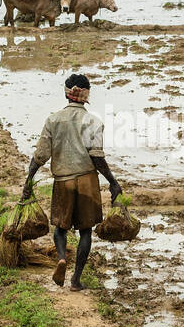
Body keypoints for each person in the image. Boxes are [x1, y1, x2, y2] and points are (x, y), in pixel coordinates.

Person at [22, 73, 122, 289]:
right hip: (87, 181)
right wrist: (112, 182)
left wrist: (28, 180)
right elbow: (97, 157)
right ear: (86, 95)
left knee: (60, 228)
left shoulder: (53, 120)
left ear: (66, 93)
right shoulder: (93, 121)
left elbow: (40, 155)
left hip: (63, 181)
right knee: (85, 231)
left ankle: (61, 258)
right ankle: (76, 280)